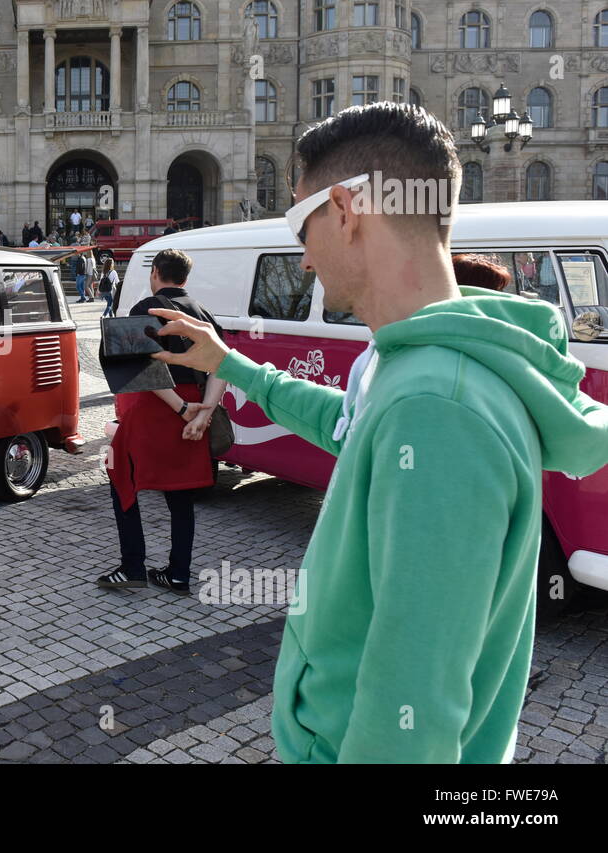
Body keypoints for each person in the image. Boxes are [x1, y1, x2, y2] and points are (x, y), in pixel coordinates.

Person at [148, 102, 608, 762]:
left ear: (345, 209)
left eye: (299, 225)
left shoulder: (437, 405)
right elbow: (348, 425)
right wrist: (230, 363)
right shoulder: (427, 366)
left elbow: (411, 715)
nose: (303, 259)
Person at [99, 249, 226, 592]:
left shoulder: (146, 308)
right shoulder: (203, 314)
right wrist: (204, 411)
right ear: (186, 277)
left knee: (122, 479)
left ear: (155, 272)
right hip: (195, 412)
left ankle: (132, 567)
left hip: (156, 408)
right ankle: (178, 573)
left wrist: (181, 407)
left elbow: (142, 367)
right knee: (181, 494)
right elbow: (223, 366)